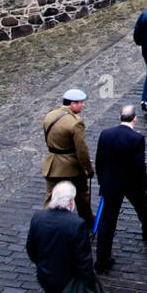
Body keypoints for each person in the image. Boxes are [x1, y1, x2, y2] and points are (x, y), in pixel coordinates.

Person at [94, 105, 147, 273]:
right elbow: (139, 166)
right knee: (143, 208)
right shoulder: (136, 138)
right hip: (132, 183)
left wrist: (102, 181)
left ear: (120, 118)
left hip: (111, 184)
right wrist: (143, 184)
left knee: (107, 220)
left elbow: (99, 161)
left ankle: (102, 259)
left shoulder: (105, 134)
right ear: (135, 119)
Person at [41, 88, 94, 229]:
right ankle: (87, 220)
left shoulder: (50, 116)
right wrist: (88, 169)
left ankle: (46, 225)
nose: (83, 105)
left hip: (51, 164)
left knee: (51, 197)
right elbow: (82, 151)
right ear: (73, 104)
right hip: (71, 168)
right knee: (82, 195)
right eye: (81, 103)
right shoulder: (75, 123)